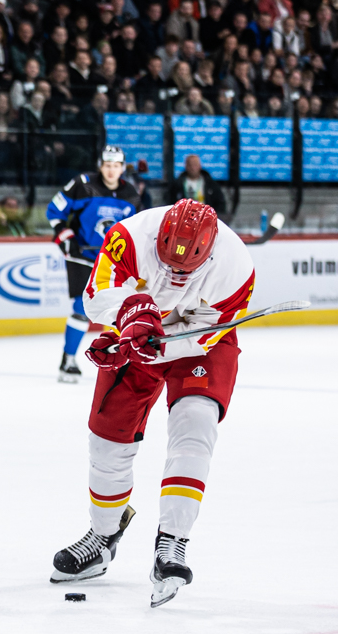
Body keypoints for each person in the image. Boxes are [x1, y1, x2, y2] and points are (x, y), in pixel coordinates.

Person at [51, 199, 255, 608]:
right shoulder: (128, 236)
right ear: (159, 236)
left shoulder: (236, 264)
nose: (174, 273)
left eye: (187, 268)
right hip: (140, 337)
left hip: (198, 347)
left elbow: (205, 333)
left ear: (210, 249)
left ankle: (172, 544)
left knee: (195, 426)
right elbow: (96, 296)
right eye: (166, 261)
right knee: (107, 440)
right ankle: (104, 535)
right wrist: (130, 316)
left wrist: (148, 340)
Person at [46, 146, 142, 383]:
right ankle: (68, 359)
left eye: (116, 166)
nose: (111, 171)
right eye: (107, 166)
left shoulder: (130, 194)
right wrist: (65, 236)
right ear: (101, 165)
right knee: (81, 307)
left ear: (122, 168)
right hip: (82, 256)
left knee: (119, 309)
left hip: (111, 260)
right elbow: (54, 211)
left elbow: (136, 229)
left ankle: (119, 360)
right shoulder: (83, 184)